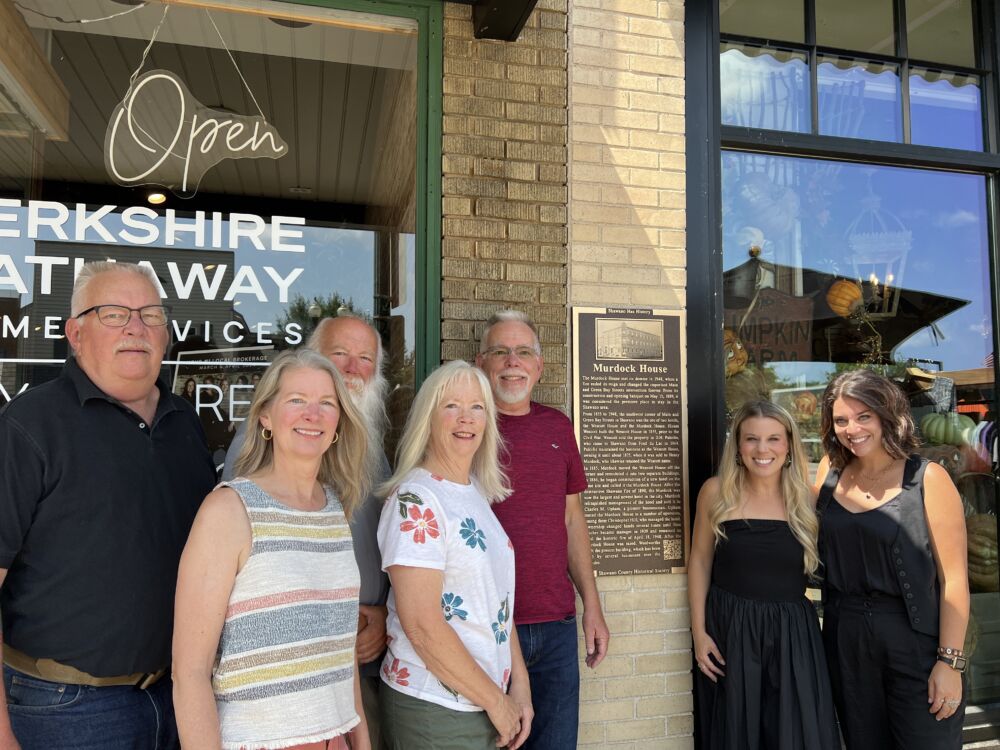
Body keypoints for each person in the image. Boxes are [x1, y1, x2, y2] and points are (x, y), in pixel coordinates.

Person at [0, 261, 216, 749]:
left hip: (182, 697)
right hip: (66, 708)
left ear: (166, 335)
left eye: (150, 315)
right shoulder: (29, 425)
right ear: (75, 334)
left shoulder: (185, 423)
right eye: (114, 314)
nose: (136, 328)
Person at [173, 348, 374, 749]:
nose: (312, 414)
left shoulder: (334, 509)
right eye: (296, 400)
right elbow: (189, 673)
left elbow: (338, 650)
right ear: (265, 415)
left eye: (326, 403)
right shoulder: (229, 510)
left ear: (339, 421)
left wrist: (361, 740)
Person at [222, 315, 392, 747]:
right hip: (285, 685)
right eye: (340, 355)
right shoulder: (261, 447)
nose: (352, 368)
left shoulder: (372, 446)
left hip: (363, 662)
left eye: (365, 358)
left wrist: (385, 613)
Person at [376, 360, 532, 750]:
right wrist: (496, 702)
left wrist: (519, 684)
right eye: (451, 406)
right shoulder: (416, 501)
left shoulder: (474, 491)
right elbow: (421, 626)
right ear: (428, 418)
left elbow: (495, 601)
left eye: (477, 407)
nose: (466, 418)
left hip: (481, 699)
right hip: (434, 704)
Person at [814, 369, 969, 749]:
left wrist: (950, 663)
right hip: (845, 640)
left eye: (864, 416)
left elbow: (953, 580)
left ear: (888, 415)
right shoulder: (829, 471)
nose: (852, 429)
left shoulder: (928, 478)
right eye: (841, 420)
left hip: (915, 643)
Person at [475, 310, 608, 750]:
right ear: (481, 363)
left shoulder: (558, 427)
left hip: (556, 626)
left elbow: (572, 519)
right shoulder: (466, 429)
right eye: (500, 351)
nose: (512, 362)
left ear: (539, 366)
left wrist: (591, 604)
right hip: (486, 629)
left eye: (523, 352)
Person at [689, 400, 840, 749]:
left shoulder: (809, 500)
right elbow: (700, 561)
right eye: (751, 439)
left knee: (795, 733)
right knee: (736, 732)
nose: (762, 450)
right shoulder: (716, 492)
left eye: (773, 439)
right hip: (731, 630)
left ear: (788, 445)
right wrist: (699, 633)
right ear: (738, 445)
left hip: (792, 634)